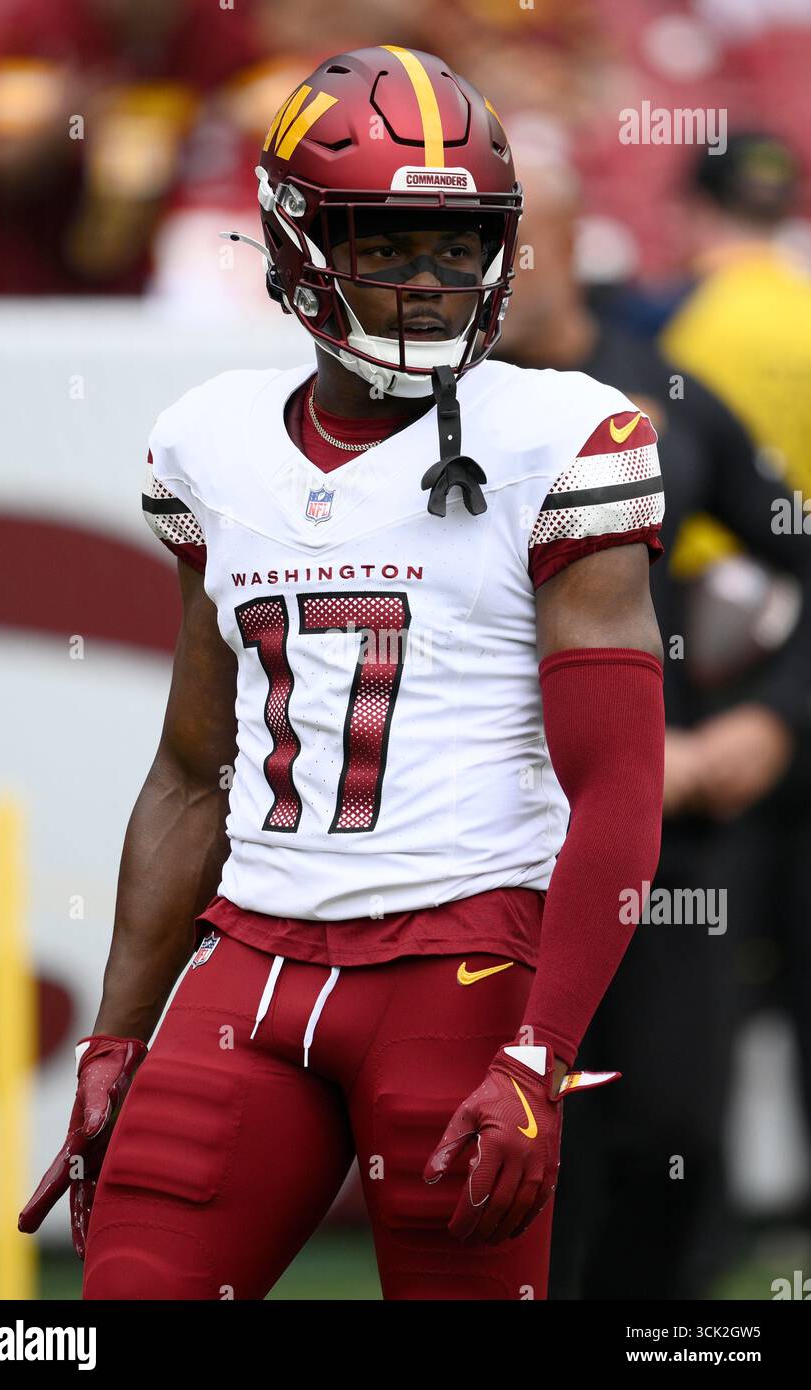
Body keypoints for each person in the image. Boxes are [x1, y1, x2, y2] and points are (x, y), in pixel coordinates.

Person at [18, 45, 665, 1301]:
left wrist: (539, 1056)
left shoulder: (562, 438)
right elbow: (195, 767)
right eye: (386, 243)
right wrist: (114, 1031)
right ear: (297, 241)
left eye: (457, 245)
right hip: (249, 958)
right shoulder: (207, 444)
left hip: (463, 965)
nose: (430, 284)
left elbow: (619, 793)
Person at [497, 154, 811, 1298]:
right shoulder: (427, 417)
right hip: (494, 844)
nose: (491, 267)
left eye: (518, 236)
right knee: (521, 1144)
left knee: (672, 1126)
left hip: (660, 837)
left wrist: (767, 722)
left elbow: (801, 554)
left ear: (581, 239)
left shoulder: (661, 393)